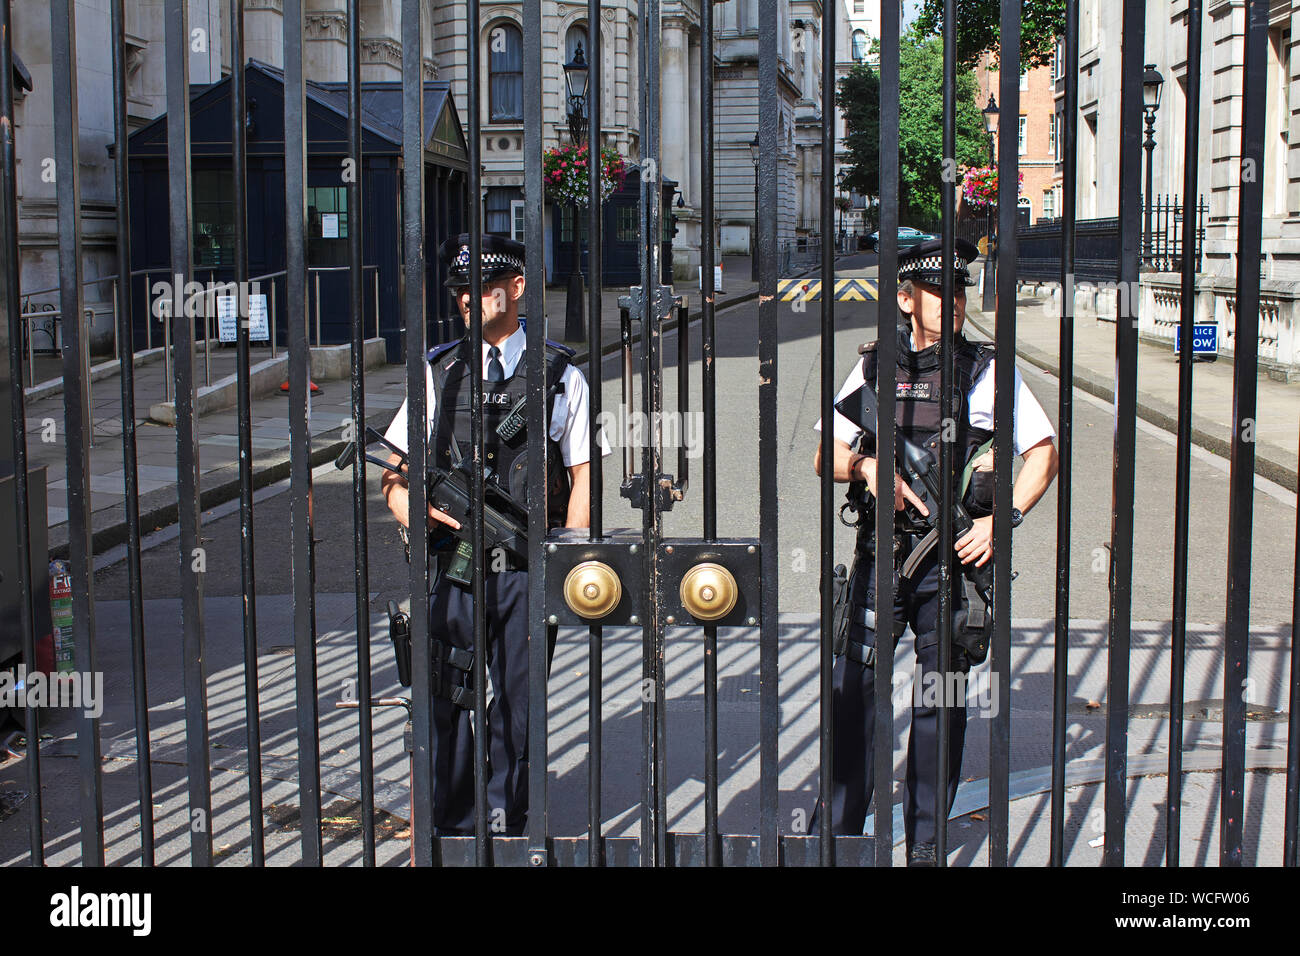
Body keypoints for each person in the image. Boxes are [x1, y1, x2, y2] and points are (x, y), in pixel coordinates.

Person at [812, 237, 1059, 864]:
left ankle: (926, 842)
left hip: (951, 568)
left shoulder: (985, 369)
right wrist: (866, 466)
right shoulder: (871, 367)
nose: (952, 300)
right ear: (903, 298)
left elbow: (1042, 451)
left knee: (939, 709)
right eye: (935, 289)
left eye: (959, 289)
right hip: (879, 560)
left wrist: (1003, 522)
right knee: (852, 697)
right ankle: (840, 833)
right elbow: (826, 456)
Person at [380, 233, 608, 836]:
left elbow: (584, 473)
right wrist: (408, 506)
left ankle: (509, 824)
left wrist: (570, 556)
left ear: (517, 289)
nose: (468, 301)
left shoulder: (560, 374)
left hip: (527, 568)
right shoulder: (438, 372)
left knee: (518, 702)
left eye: (482, 289)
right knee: (447, 694)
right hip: (450, 563)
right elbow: (394, 470)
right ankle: (452, 826)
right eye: (461, 291)